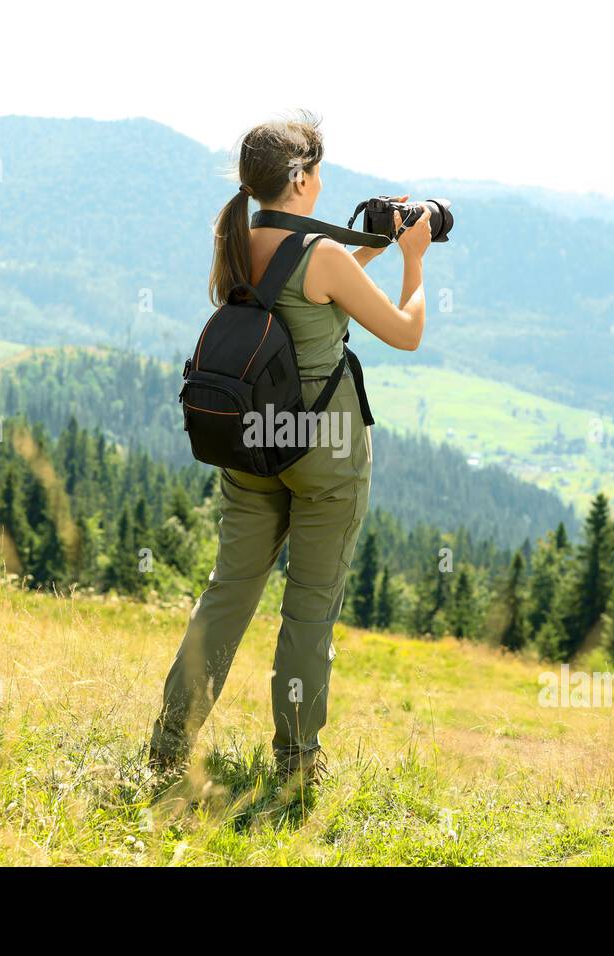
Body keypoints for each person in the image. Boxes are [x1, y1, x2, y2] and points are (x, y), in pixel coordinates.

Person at [149, 111, 432, 787]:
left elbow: (299, 299)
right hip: (323, 451)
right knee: (309, 607)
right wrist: (414, 263)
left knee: (228, 594)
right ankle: (297, 761)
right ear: (302, 178)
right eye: (319, 170)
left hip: (252, 442)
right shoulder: (324, 256)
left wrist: (368, 250)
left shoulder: (236, 241)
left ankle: (168, 741)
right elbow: (403, 332)